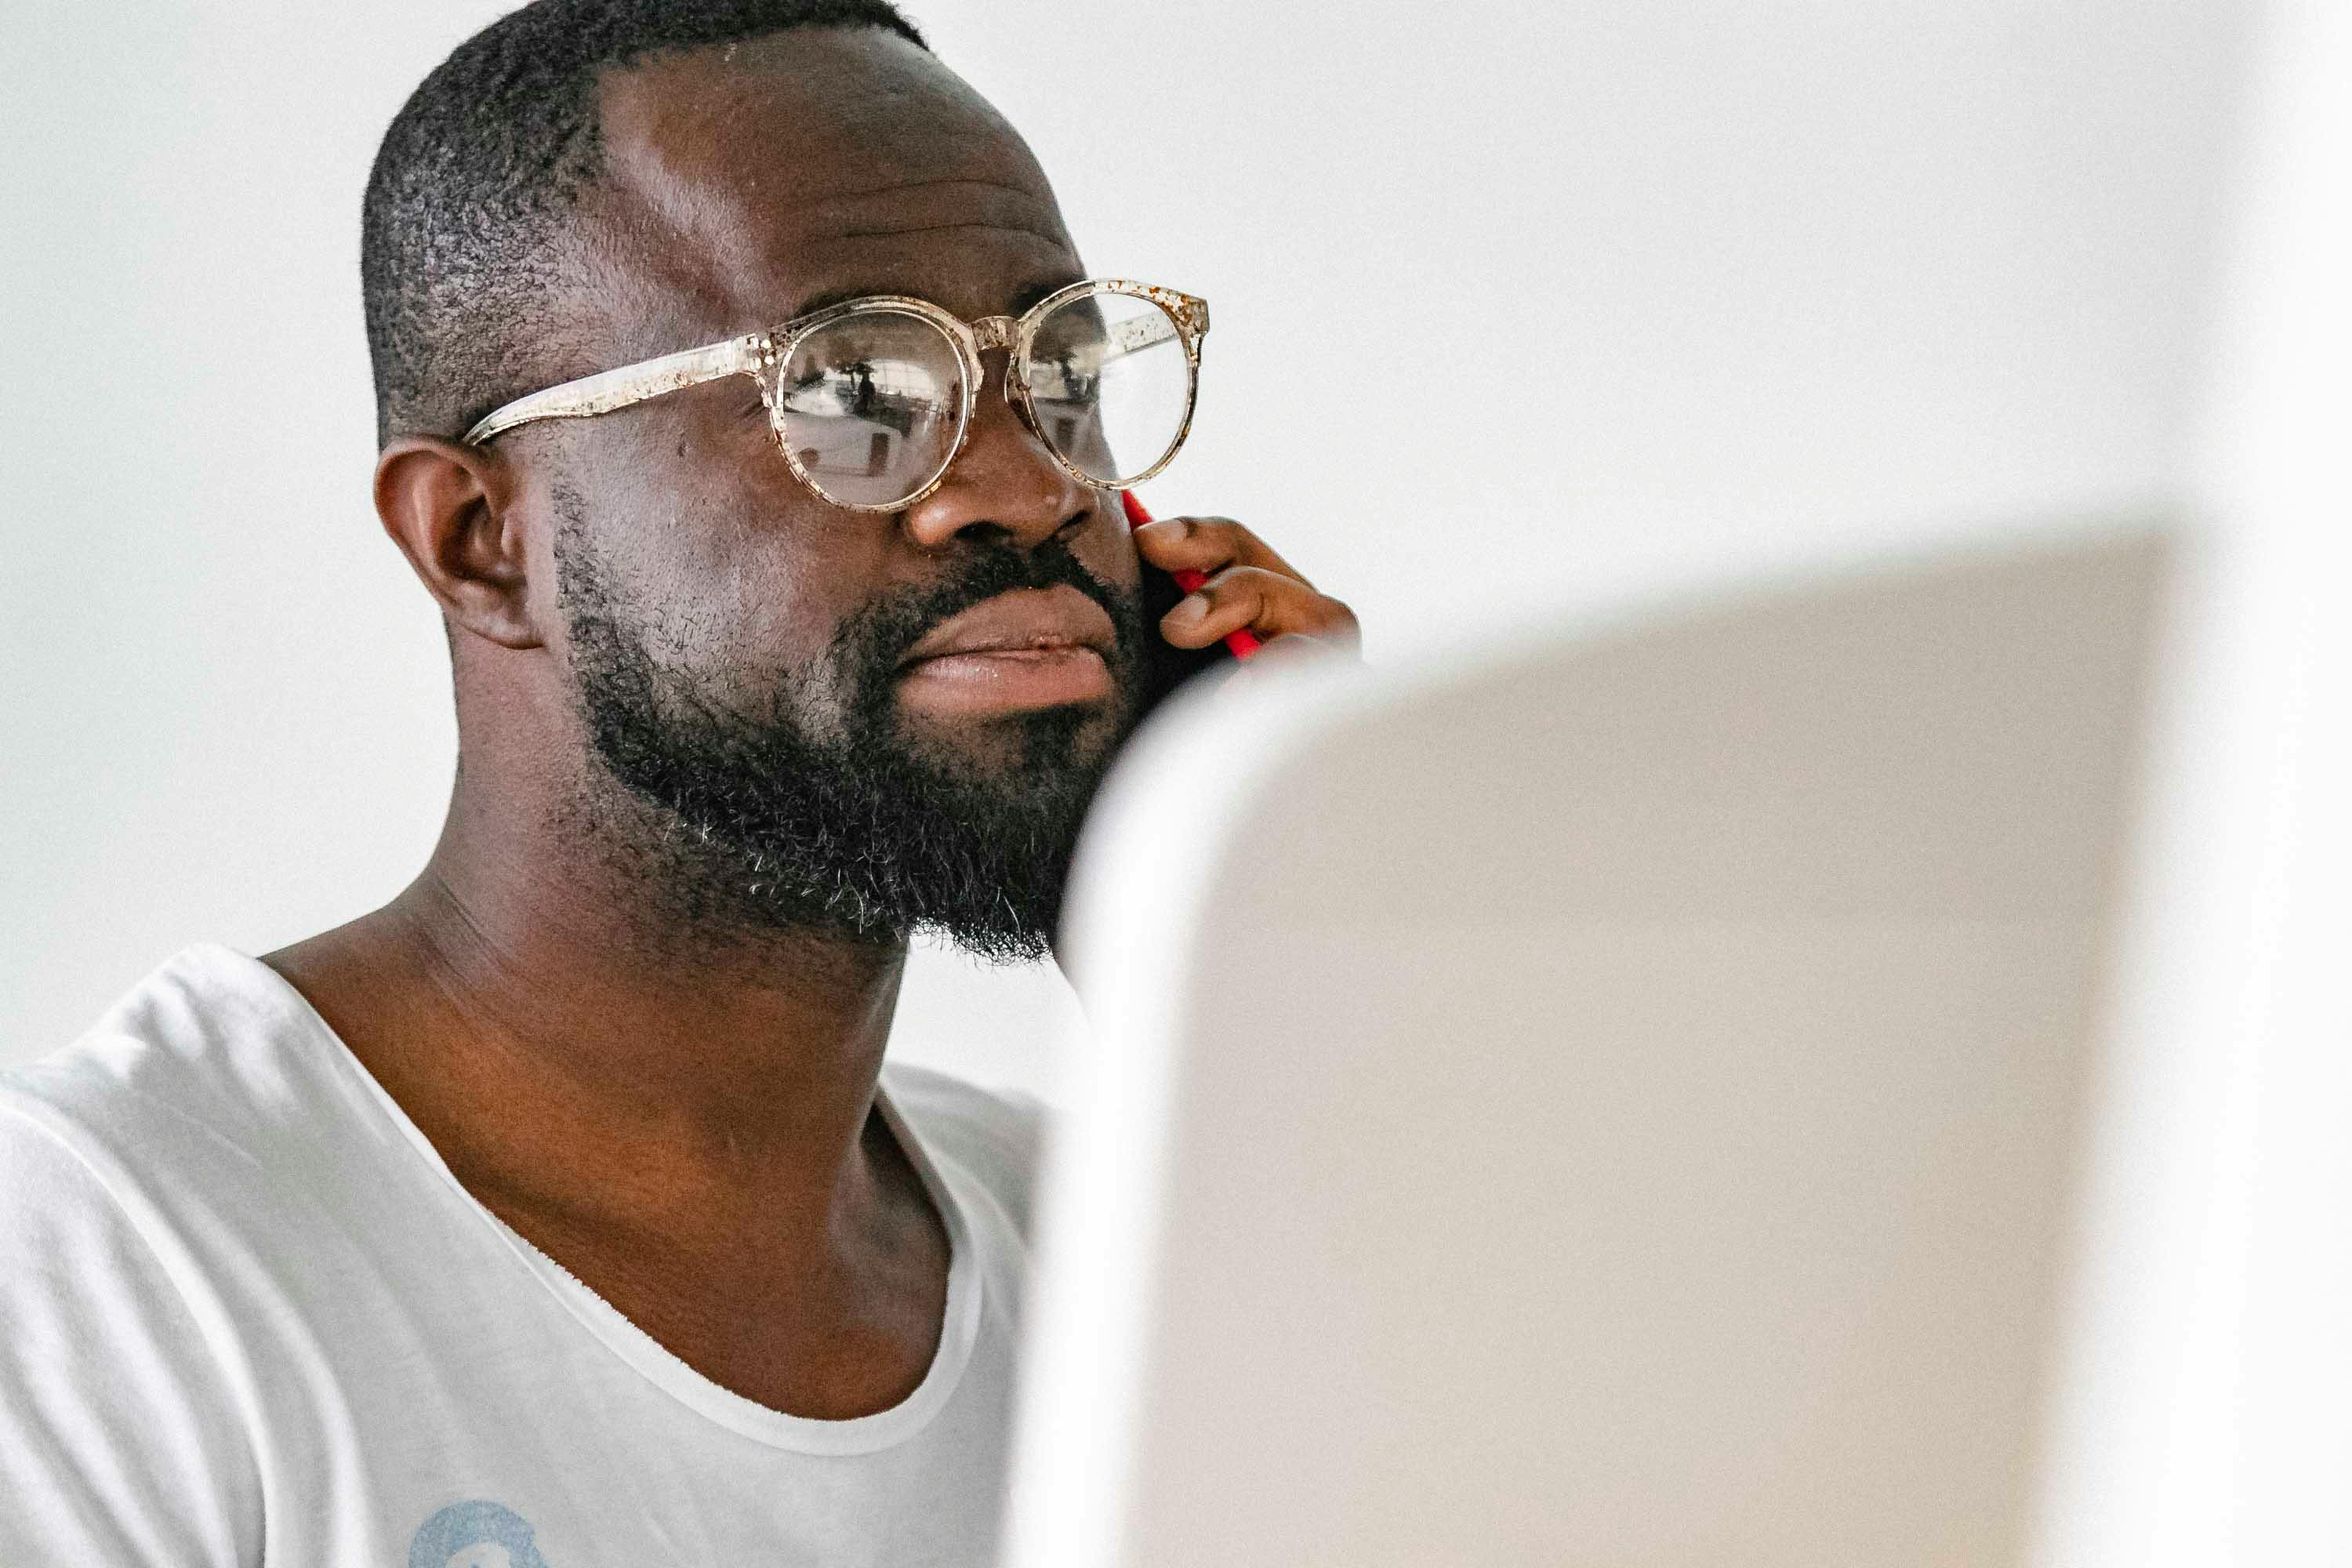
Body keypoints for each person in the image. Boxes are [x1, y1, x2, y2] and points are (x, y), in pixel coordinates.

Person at [0, 2, 1358, 1563]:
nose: (1028, 488)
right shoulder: (101, 1269)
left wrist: (1292, 969)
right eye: (853, 395)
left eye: (1058, 378)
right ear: (479, 539)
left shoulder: (1131, 1256)